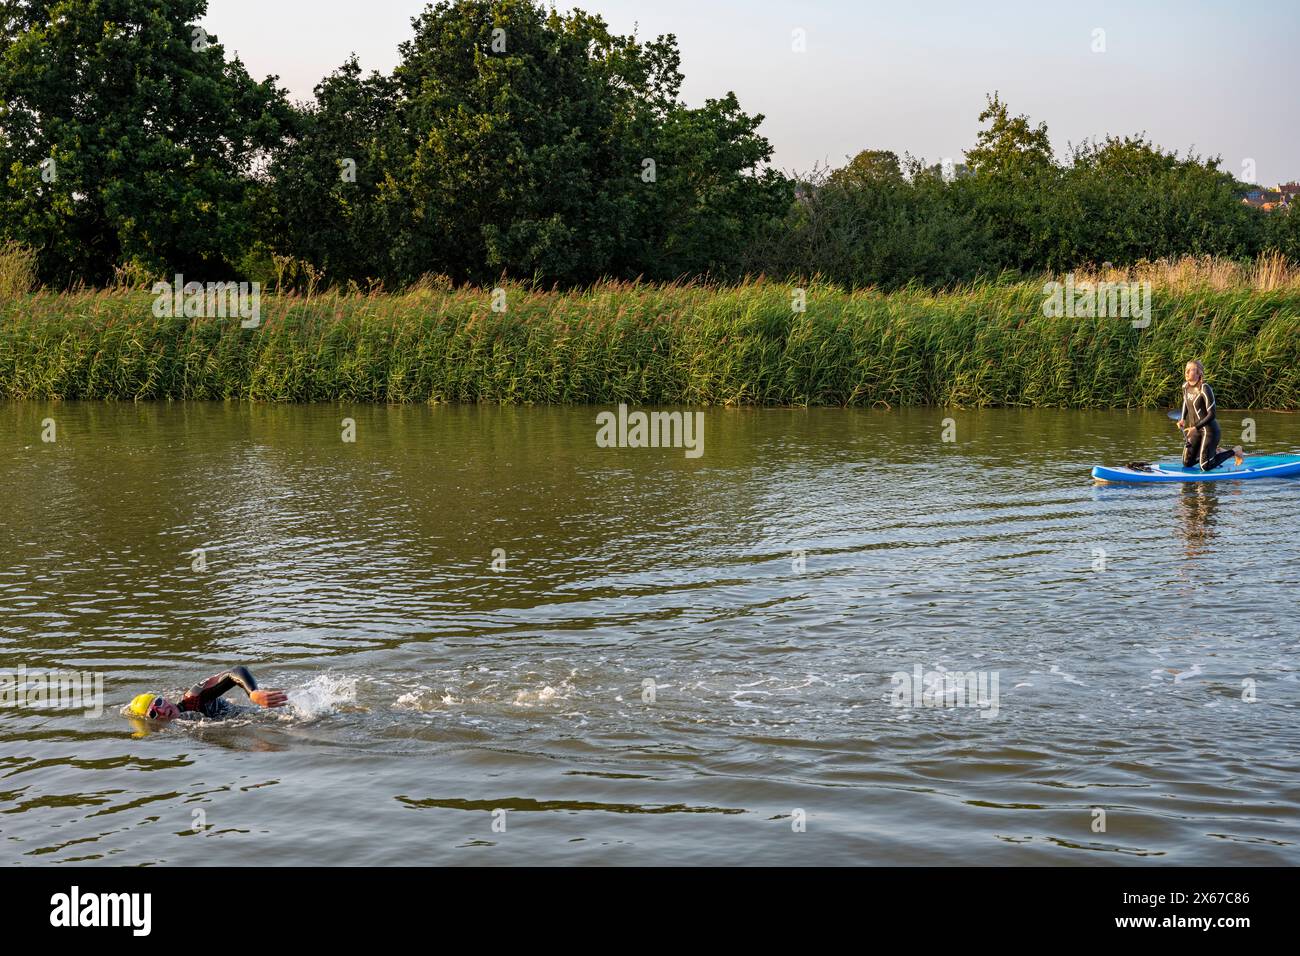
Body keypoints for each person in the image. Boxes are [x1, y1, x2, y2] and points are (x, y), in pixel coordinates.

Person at [126, 666, 288, 722]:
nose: (162, 710)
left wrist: (254, 693)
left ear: (165, 698)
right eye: (153, 713)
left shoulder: (193, 698)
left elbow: (236, 671)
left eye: (159, 702)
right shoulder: (181, 729)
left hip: (263, 716)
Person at [1176, 360, 1244, 472]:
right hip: (1195, 430)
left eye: (1191, 369)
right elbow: (1186, 402)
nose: (1187, 372)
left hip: (1210, 431)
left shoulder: (1205, 388)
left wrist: (1195, 428)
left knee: (1205, 466)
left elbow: (1212, 415)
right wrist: (1183, 418)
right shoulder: (1185, 386)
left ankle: (1235, 451)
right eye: (1186, 369)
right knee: (1187, 463)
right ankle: (1213, 452)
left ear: (1199, 373)